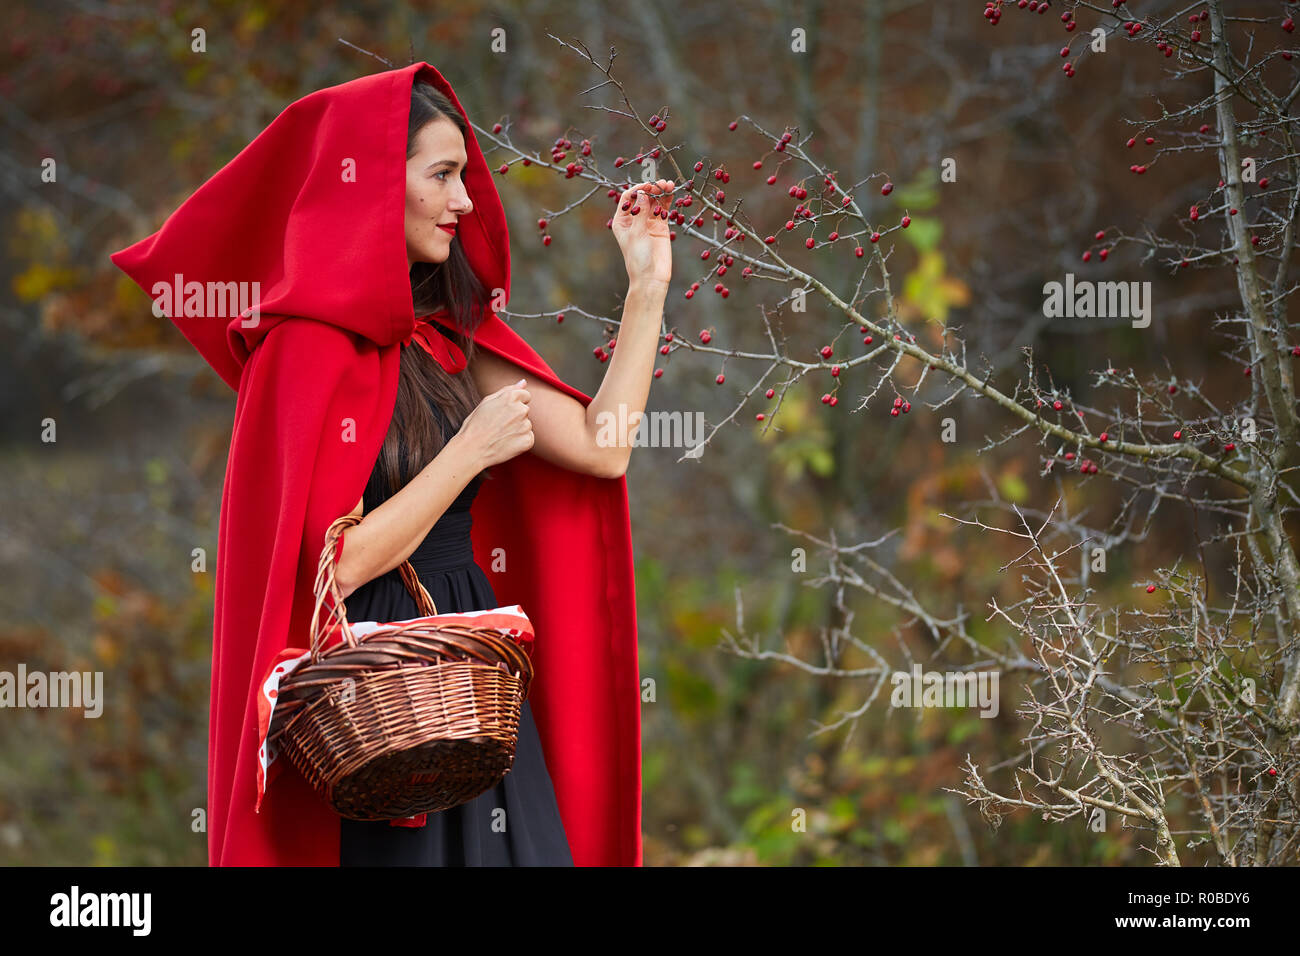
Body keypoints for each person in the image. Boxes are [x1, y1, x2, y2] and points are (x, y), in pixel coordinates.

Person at [110, 61, 671, 866]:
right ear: (373, 181)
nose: (466, 200)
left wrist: (646, 288)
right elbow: (329, 571)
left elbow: (603, 446)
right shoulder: (301, 350)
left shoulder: (446, 339)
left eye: (464, 176)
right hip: (374, 707)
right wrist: (467, 452)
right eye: (441, 175)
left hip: (472, 696)